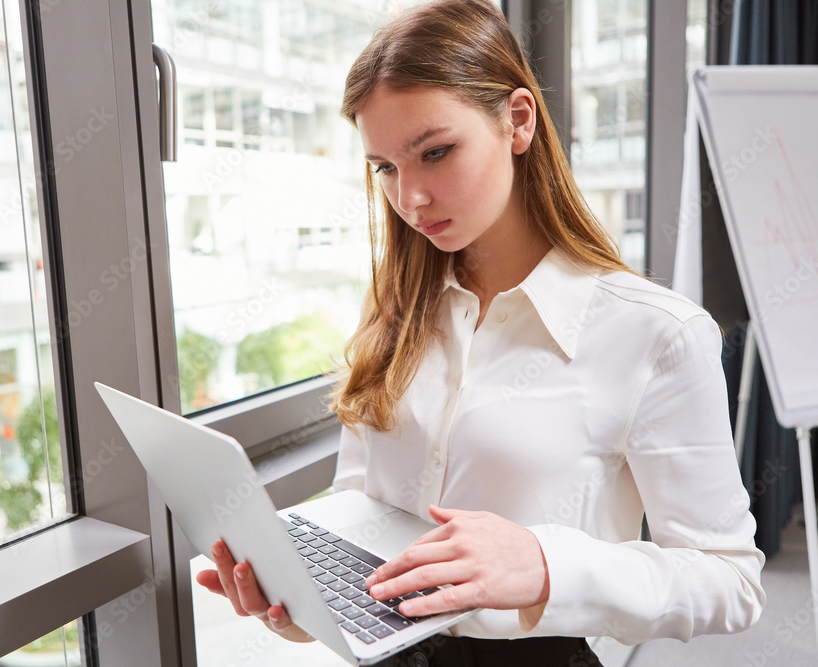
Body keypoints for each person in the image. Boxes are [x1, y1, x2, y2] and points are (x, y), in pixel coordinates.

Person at [196, 1, 766, 665]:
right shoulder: (395, 310)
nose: (409, 198)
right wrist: (306, 602)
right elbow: (360, 500)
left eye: (435, 152)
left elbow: (730, 580)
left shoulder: (654, 333)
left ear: (517, 121)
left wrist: (546, 562)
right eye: (385, 166)